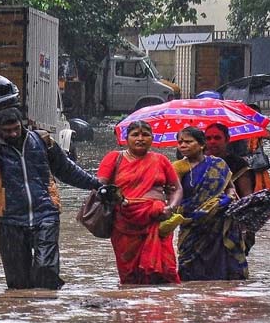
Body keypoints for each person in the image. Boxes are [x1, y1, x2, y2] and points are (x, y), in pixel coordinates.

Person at [0, 74, 101, 290]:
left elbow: (67, 171)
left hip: (45, 216)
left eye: (16, 128)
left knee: (46, 273)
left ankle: (46, 309)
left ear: (22, 123)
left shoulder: (43, 141)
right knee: (18, 285)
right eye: (7, 131)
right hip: (11, 221)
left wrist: (97, 184)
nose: (13, 133)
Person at [99, 120, 183, 284]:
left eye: (145, 134)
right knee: (130, 276)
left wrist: (171, 207)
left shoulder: (161, 160)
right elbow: (100, 186)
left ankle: (164, 301)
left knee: (167, 272)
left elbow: (176, 189)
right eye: (135, 135)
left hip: (156, 221)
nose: (140, 139)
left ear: (152, 138)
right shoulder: (114, 158)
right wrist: (117, 198)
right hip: (125, 223)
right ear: (126, 138)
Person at [161, 126, 248, 281]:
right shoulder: (177, 167)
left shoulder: (218, 164)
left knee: (223, 266)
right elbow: (173, 194)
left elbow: (230, 188)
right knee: (189, 265)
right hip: (191, 222)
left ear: (201, 145)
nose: (183, 145)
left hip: (218, 221)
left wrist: (228, 198)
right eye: (180, 142)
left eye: (188, 142)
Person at [204, 123, 254, 198]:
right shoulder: (199, 162)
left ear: (227, 139)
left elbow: (247, 195)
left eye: (217, 138)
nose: (212, 141)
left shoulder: (238, 164)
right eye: (208, 138)